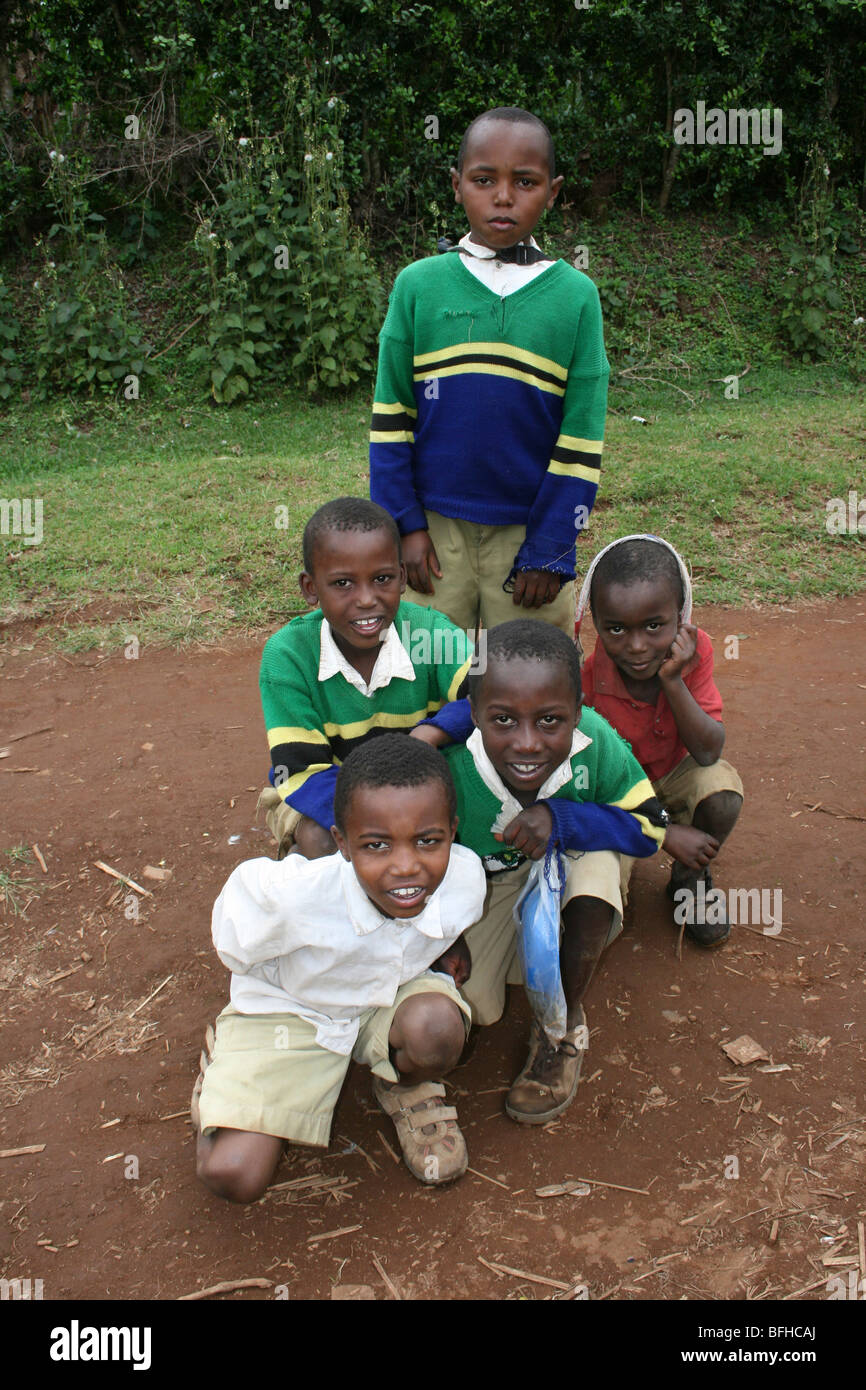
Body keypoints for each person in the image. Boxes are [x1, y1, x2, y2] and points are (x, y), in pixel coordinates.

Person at [193, 736, 486, 1202]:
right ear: (342, 844)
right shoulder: (293, 897)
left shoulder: (465, 879)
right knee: (233, 1175)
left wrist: (445, 948)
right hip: (295, 1012)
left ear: (452, 831)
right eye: (377, 845)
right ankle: (228, 1070)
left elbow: (445, 919)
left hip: (384, 999)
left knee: (436, 1029)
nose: (406, 866)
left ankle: (400, 1084)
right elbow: (235, 944)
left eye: (428, 841)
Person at [369, 106, 608, 636]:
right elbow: (390, 419)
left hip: (530, 538)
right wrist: (403, 528)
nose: (503, 197)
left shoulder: (575, 298)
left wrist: (551, 547)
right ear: (457, 186)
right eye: (484, 180)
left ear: (553, 191)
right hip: (432, 537)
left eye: (525, 182)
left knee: (531, 682)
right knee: (427, 676)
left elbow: (582, 436)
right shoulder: (418, 286)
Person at [441, 620, 668, 1125]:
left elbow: (652, 829)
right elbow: (432, 862)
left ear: (578, 712)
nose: (526, 743)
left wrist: (563, 819)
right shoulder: (452, 767)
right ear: (473, 713)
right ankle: (519, 970)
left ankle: (559, 1028)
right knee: (472, 1005)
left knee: (593, 883)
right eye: (502, 720)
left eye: (549, 721)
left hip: (576, 860)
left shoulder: (597, 744)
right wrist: (446, 935)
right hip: (494, 881)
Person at [258, 497, 475, 859]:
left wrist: (431, 733)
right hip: (327, 788)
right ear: (311, 588)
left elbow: (491, 698)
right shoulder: (288, 656)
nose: (366, 599)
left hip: (424, 785)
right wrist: (382, 820)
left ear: (403, 577)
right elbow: (299, 770)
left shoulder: (431, 634)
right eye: (343, 583)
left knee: (463, 822)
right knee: (323, 840)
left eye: (382, 579)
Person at [577, 534, 744, 947]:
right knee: (597, 895)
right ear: (594, 622)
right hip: (617, 792)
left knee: (721, 791)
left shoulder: (694, 652)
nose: (637, 647)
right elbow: (584, 790)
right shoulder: (584, 679)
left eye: (655, 627)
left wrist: (672, 679)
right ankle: (626, 865)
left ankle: (689, 880)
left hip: (673, 772)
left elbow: (708, 749)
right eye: (615, 629)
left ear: (681, 617)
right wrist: (662, 832)